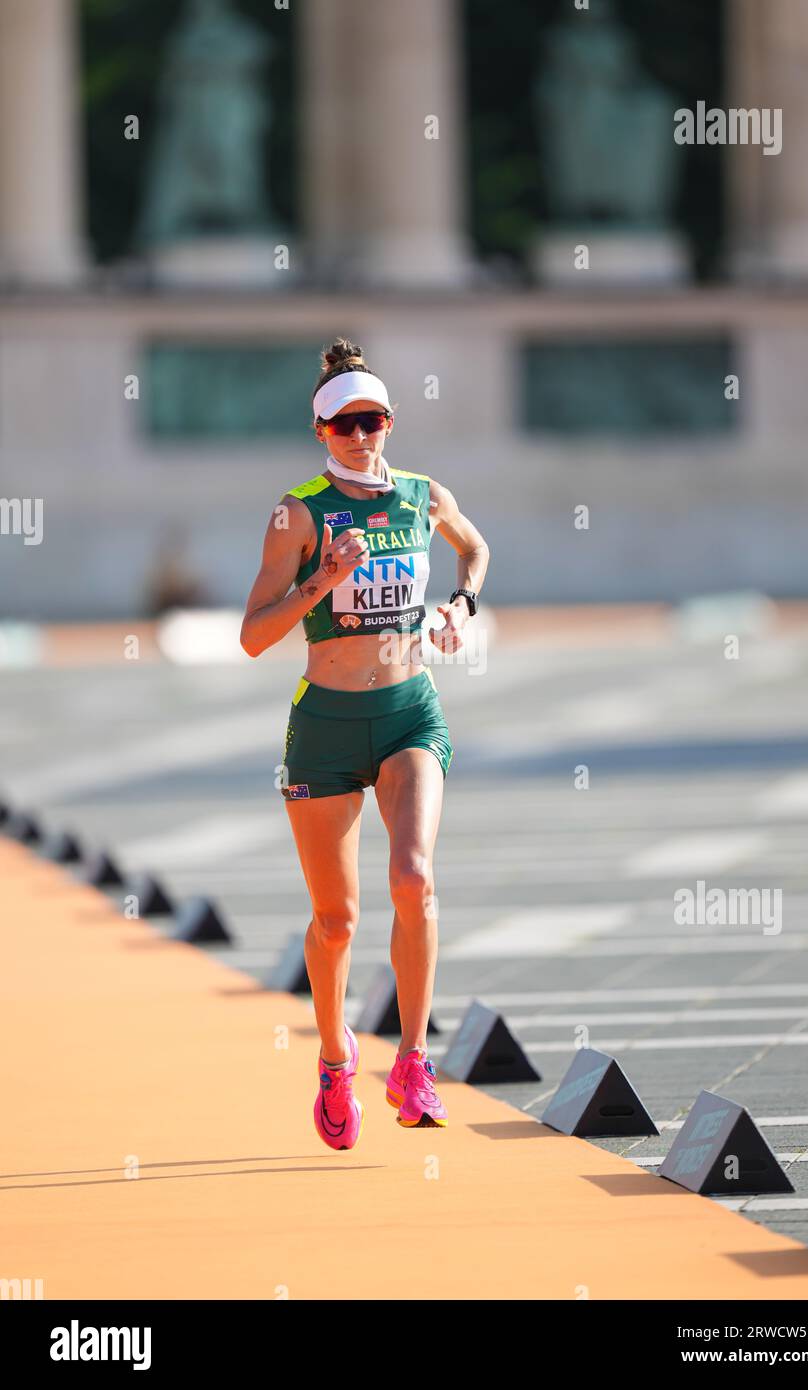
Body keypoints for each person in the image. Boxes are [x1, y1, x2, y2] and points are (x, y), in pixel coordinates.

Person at [240, 338, 489, 1149]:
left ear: (389, 422)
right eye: (343, 424)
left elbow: (474, 548)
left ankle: (414, 1059)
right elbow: (251, 635)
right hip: (325, 726)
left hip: (411, 711)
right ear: (320, 431)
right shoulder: (299, 512)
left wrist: (460, 607)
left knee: (414, 879)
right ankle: (335, 1058)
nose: (360, 436)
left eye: (372, 421)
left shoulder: (422, 494)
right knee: (337, 920)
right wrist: (320, 580)